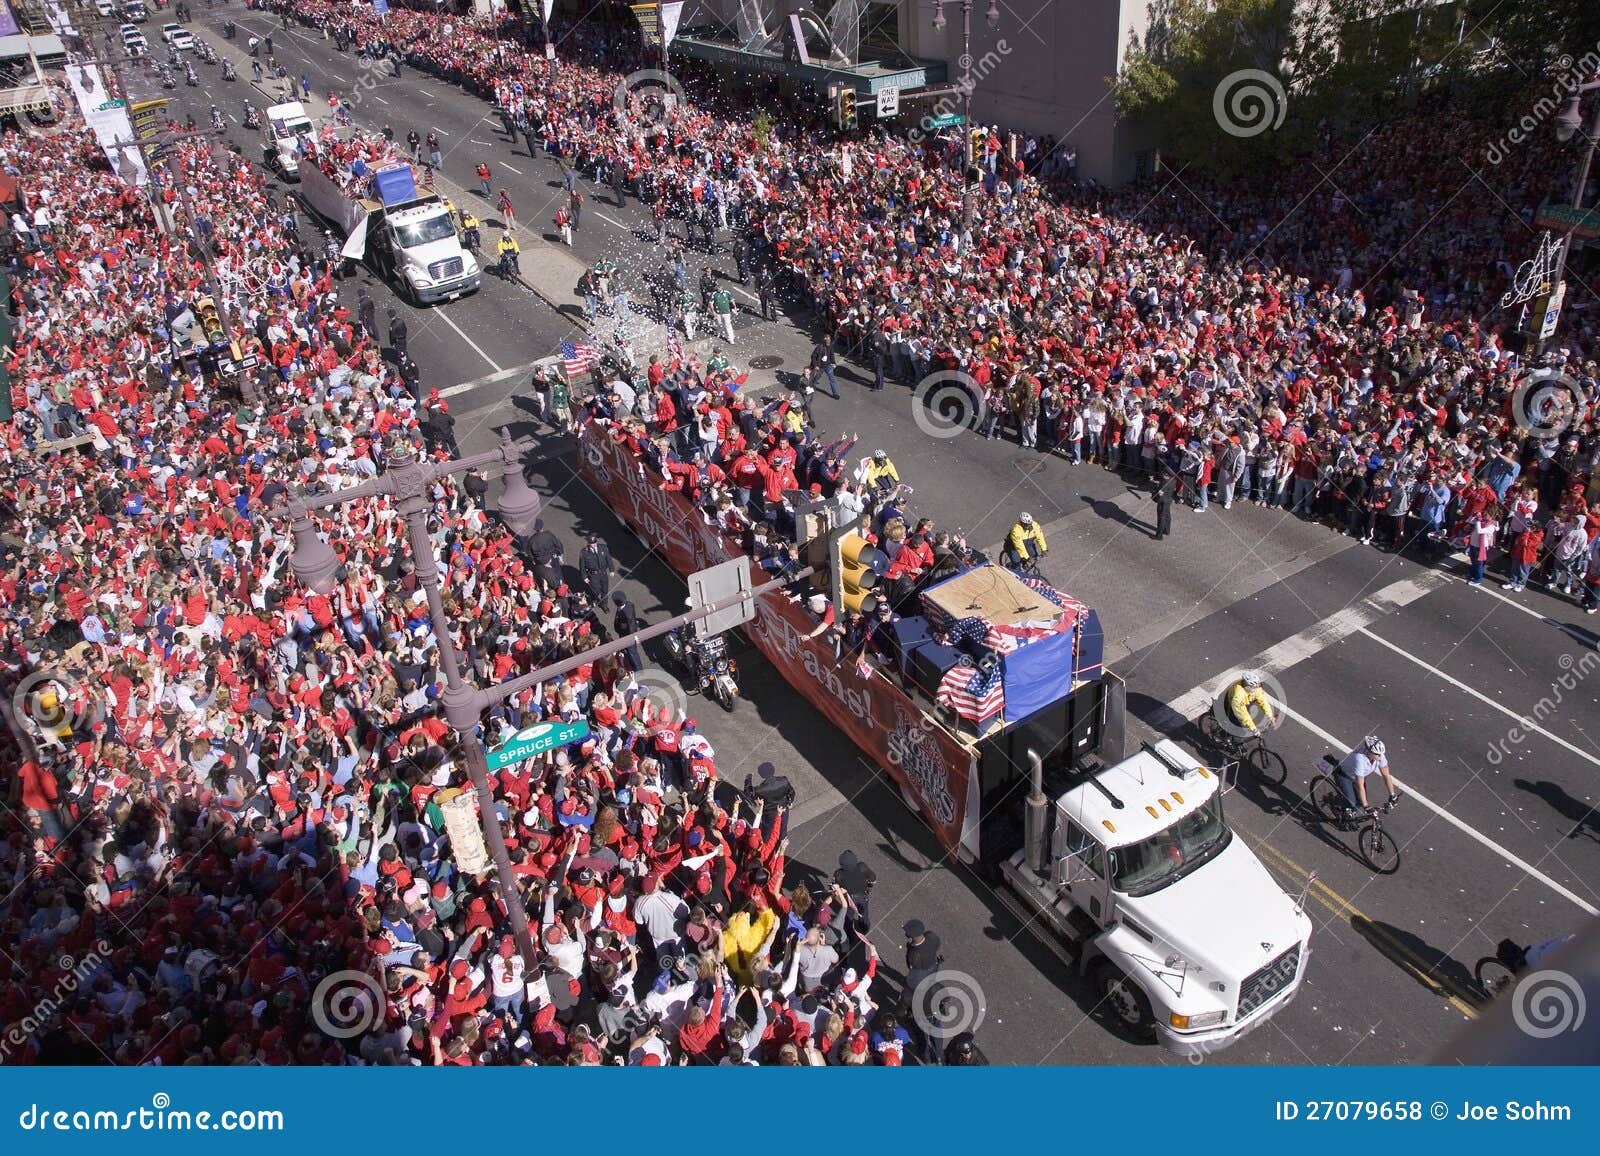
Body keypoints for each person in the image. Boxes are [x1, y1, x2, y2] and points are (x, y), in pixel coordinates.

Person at [1334, 736, 1401, 816]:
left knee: (1360, 801)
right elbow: (1360, 786)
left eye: (1380, 754)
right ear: (1369, 752)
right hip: (1344, 775)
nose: (1380, 757)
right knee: (1352, 802)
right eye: (1377, 754)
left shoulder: (1380, 755)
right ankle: (1338, 807)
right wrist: (1366, 806)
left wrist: (1392, 794)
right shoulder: (1360, 759)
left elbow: (1386, 775)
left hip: (1357, 777)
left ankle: (1350, 811)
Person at [1224, 671, 1274, 736]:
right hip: (1233, 705)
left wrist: (1270, 716)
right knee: (1239, 732)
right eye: (1254, 687)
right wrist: (1254, 729)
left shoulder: (1255, 688)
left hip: (1246, 701)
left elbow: (1263, 701)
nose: (1256, 688)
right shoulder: (1238, 695)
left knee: (1248, 718)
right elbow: (1243, 714)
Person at [1152, 462, 1176, 541]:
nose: (1162, 475)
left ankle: (1159, 535)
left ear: (1167, 475)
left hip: (1162, 501)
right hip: (1168, 500)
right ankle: (1167, 530)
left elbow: (1159, 493)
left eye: (1163, 474)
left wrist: (1155, 491)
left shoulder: (1165, 484)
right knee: (1167, 516)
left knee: (1161, 518)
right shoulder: (1173, 480)